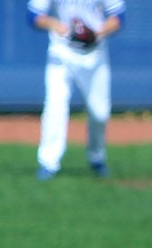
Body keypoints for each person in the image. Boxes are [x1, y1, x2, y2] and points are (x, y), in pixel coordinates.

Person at [30, 0, 124, 181]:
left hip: (95, 55)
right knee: (55, 106)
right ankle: (48, 162)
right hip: (61, 53)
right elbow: (33, 15)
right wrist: (55, 24)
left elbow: (119, 17)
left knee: (100, 113)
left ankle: (96, 157)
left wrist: (97, 32)